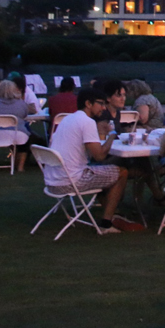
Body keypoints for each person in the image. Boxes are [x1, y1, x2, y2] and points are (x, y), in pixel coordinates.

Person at [45, 88, 142, 233]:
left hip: (52, 181)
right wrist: (112, 134)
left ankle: (114, 214)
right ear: (88, 104)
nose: (104, 108)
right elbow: (100, 156)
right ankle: (106, 223)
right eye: (100, 104)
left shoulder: (67, 119)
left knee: (103, 171)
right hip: (71, 181)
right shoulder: (87, 122)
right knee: (122, 172)